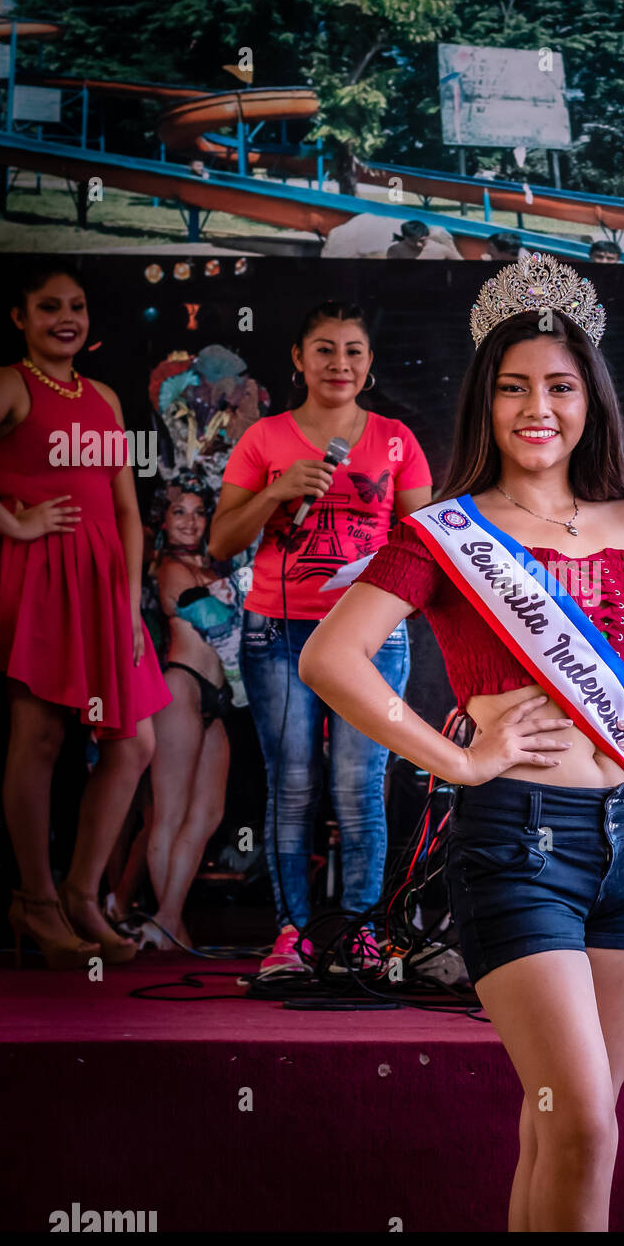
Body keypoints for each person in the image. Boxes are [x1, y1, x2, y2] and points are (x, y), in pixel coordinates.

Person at [298, 253, 624, 1230]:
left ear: (589, 402)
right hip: (518, 838)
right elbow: (331, 658)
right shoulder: (446, 532)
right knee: (584, 1130)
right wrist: (457, 760)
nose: (539, 406)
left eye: (560, 387)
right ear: (486, 403)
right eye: (516, 386)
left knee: (561, 1120)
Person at [0, 264, 170, 968]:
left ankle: (79, 893)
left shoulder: (101, 394)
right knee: (36, 740)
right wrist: (14, 526)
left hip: (104, 583)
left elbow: (128, 510)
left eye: (76, 306)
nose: (65, 317)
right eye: (48, 307)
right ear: (20, 318)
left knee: (135, 743)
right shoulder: (6, 382)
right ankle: (33, 899)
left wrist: (130, 602)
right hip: (38, 576)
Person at [209, 301, 433, 974]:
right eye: (326, 350)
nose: (340, 364)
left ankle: (364, 933)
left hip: (368, 636)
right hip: (278, 630)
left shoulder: (396, 439)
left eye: (354, 351)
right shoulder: (264, 439)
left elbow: (423, 545)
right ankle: (291, 937)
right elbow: (223, 541)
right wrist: (275, 493)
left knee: (360, 786)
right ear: (299, 360)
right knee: (294, 785)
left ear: (368, 363)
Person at [130, 473, 247, 950]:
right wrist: (243, 583)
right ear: (163, 518)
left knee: (209, 812)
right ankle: (167, 921)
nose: (190, 521)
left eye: (199, 512)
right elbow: (212, 618)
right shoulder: (166, 566)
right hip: (181, 684)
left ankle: (167, 918)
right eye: (180, 511)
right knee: (170, 812)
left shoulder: (215, 569)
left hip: (219, 697)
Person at [386, 219, 464, 261]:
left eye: (422, 241)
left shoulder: (440, 250)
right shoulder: (395, 250)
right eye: (414, 241)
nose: (419, 244)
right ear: (405, 238)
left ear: (427, 237)